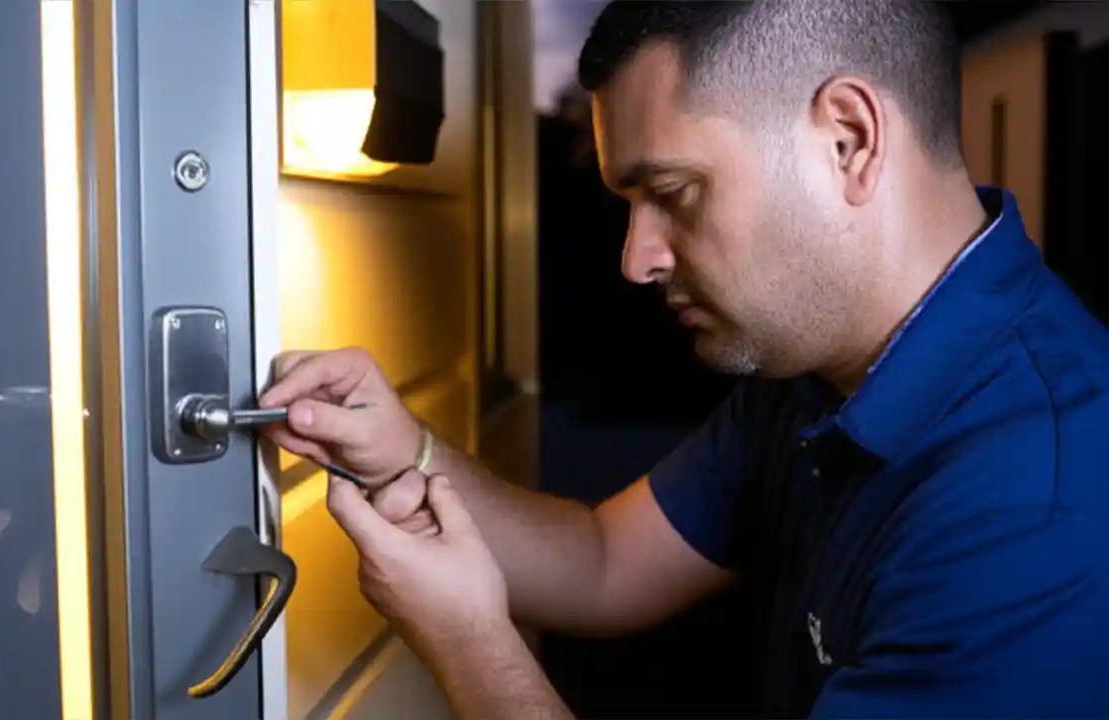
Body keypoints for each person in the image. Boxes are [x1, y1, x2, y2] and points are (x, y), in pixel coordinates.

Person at [259, 1, 1109, 717]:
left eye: (671, 195)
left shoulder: (1039, 514)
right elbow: (603, 562)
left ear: (848, 140)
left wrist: (469, 647)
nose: (637, 260)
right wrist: (404, 450)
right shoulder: (818, 354)